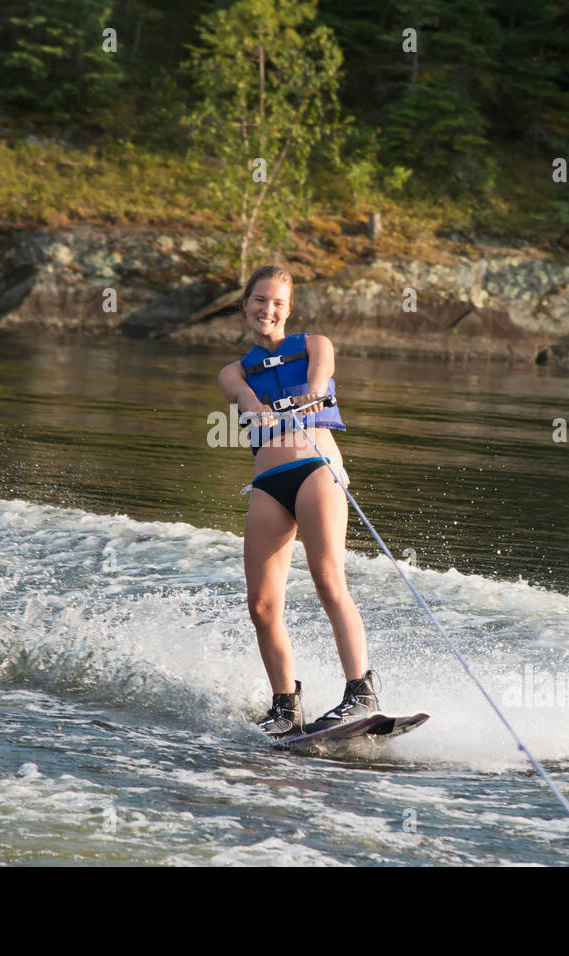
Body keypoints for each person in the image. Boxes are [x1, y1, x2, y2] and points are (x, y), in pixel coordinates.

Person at [216, 265, 380, 738]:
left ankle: (360, 692)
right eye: (260, 301)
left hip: (317, 472)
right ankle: (287, 707)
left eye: (278, 304)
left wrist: (311, 395)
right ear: (245, 304)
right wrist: (258, 413)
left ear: (289, 310)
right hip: (269, 483)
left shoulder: (315, 345)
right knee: (262, 607)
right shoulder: (233, 372)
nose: (269, 310)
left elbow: (320, 378)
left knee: (329, 581)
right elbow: (246, 402)